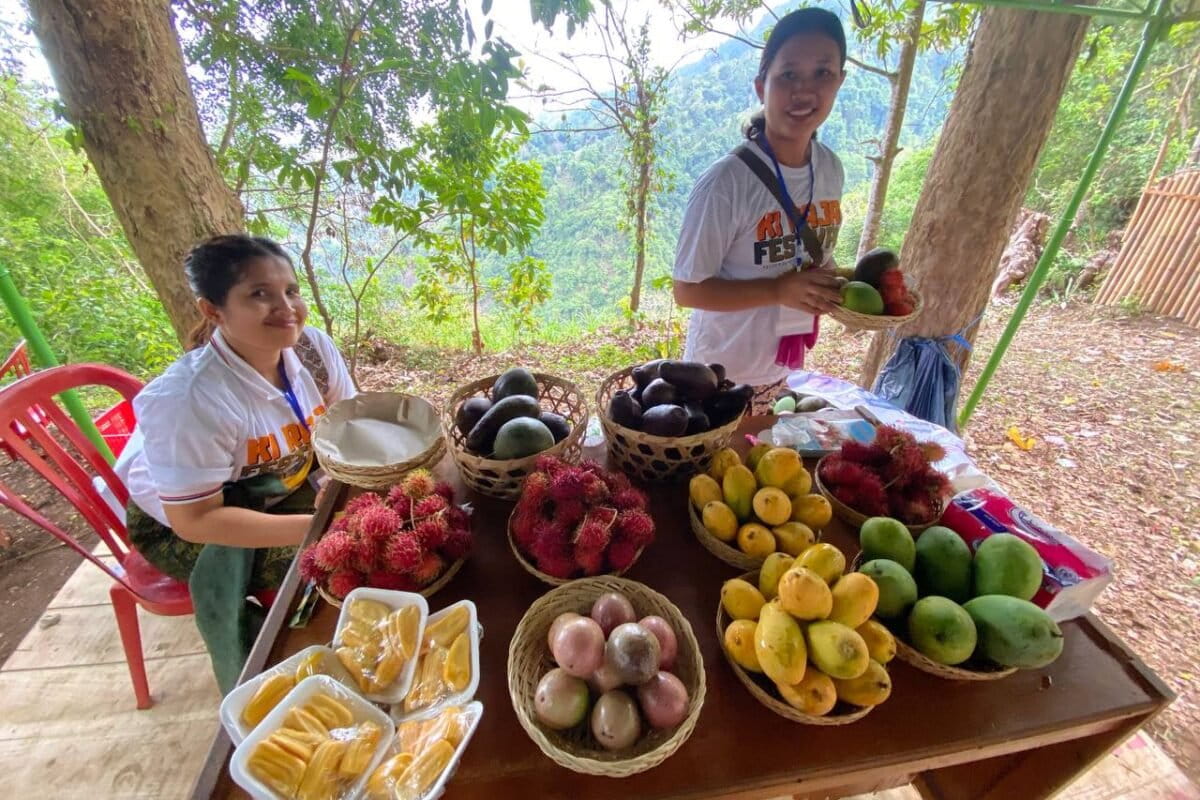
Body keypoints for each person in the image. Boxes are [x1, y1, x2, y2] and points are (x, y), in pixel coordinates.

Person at [114, 234, 356, 590]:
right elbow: (195, 519)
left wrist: (336, 481)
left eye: (291, 291)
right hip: (192, 525)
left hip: (282, 482)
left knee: (392, 512)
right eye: (260, 294)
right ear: (212, 310)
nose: (286, 308)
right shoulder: (191, 400)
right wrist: (321, 527)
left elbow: (348, 423)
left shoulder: (313, 349)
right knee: (350, 556)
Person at [673, 8, 848, 414]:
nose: (805, 91)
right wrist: (778, 290)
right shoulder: (726, 183)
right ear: (761, 86)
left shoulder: (830, 169)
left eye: (822, 73)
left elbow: (813, 254)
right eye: (788, 74)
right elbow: (687, 290)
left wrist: (847, 290)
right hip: (717, 375)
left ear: (840, 80)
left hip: (780, 365)